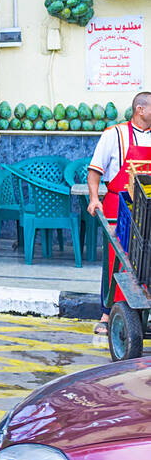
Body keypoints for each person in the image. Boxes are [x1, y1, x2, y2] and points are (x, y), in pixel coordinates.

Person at [86, 91, 151, 336]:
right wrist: (94, 199)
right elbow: (95, 172)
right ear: (140, 110)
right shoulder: (114, 135)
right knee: (116, 260)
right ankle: (106, 314)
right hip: (119, 205)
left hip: (149, 207)